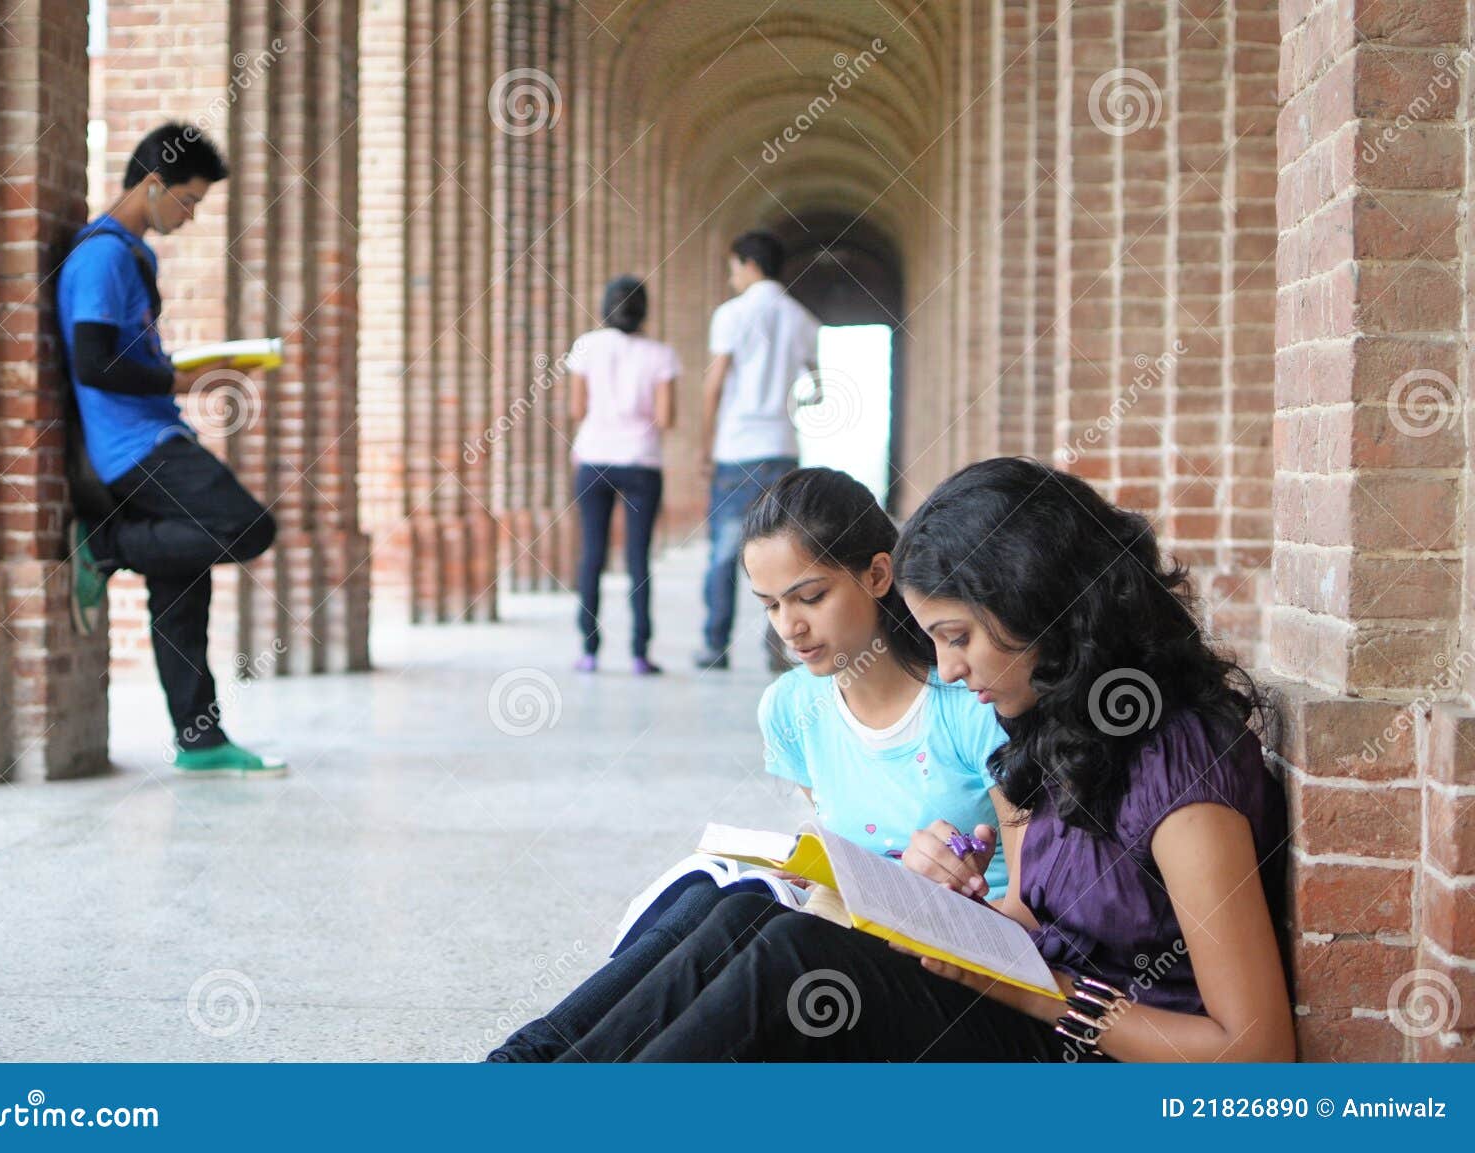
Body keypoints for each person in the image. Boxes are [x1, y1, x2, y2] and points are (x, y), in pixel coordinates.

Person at [550, 457, 1294, 1062]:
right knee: (746, 912)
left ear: (1042, 606)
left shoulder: (1183, 773)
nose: (949, 666)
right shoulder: (1059, 727)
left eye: (960, 636)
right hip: (1029, 1019)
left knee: (798, 961)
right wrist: (946, 912)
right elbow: (1036, 918)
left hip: (1095, 1061)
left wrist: (1045, 991)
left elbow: (1255, 1052)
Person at [486, 468, 1008, 1061]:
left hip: (948, 954)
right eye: (771, 605)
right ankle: (525, 1063)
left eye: (811, 597)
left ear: (878, 574)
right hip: (854, 922)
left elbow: (1038, 898)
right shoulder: (792, 708)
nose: (791, 627)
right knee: (723, 898)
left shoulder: (971, 706)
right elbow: (844, 843)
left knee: (764, 933)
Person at [58, 123, 284, 777]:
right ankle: (103, 547)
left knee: (184, 590)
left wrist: (195, 369)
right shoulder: (100, 257)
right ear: (152, 185)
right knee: (246, 526)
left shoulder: (137, 256)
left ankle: (201, 738)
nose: (190, 216)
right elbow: (96, 364)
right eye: (187, 200)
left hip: (157, 429)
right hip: (134, 445)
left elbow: (129, 354)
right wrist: (181, 379)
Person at [695, 230, 823, 673]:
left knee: (724, 553)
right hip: (782, 449)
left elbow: (713, 384)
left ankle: (715, 645)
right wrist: (789, 405)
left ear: (750, 265)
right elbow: (818, 390)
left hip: (736, 449)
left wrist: (704, 445)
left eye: (733, 268)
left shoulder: (731, 315)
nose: (732, 278)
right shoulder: (802, 318)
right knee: (785, 554)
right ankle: (780, 646)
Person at [565, 277, 678, 675]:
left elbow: (576, 409)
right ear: (644, 311)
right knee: (637, 558)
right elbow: (666, 418)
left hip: (594, 458)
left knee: (592, 554)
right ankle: (639, 653)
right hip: (641, 461)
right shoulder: (661, 355)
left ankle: (589, 650)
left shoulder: (585, 346)